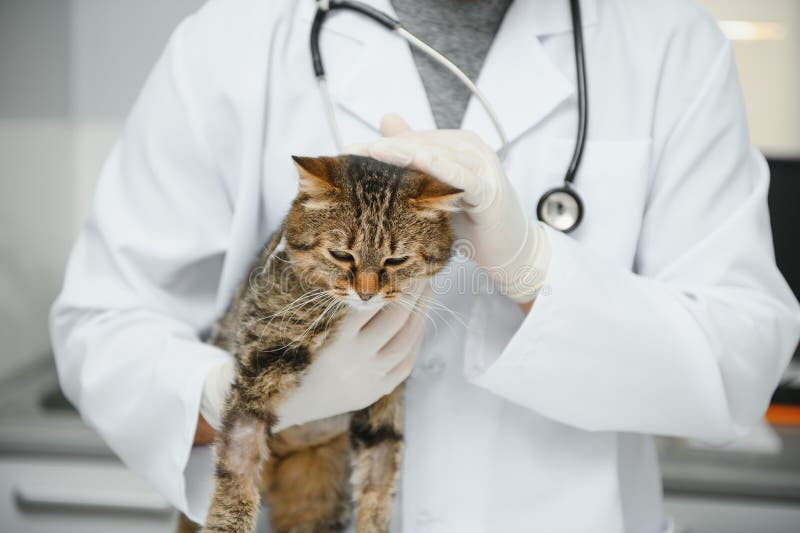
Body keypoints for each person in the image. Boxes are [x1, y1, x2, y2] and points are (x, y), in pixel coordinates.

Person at [50, 0, 800, 531]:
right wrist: (238, 397)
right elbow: (104, 326)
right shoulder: (235, 34)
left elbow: (740, 359)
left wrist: (535, 266)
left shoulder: (667, 42)